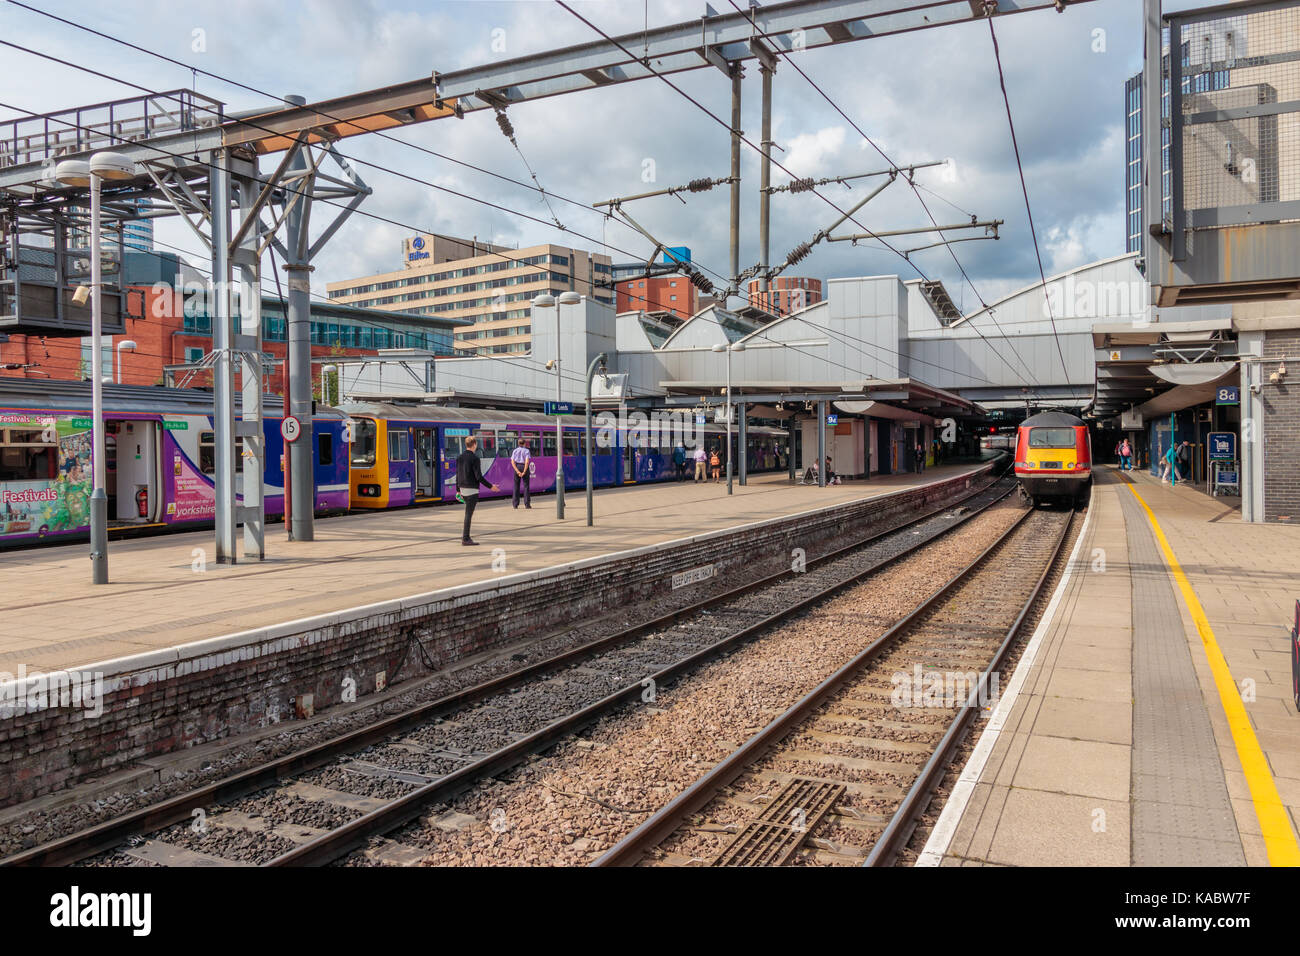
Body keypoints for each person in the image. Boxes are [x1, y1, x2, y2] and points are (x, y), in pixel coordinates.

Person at [456, 436, 498, 545]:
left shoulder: (459, 457)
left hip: (462, 489)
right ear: (474, 444)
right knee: (468, 515)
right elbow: (479, 477)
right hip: (472, 490)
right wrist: (491, 486)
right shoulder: (475, 459)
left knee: (467, 514)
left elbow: (458, 474)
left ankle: (466, 537)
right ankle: (465, 539)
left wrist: (457, 490)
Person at [510, 436, 532, 509]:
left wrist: (517, 471)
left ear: (518, 443)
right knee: (526, 486)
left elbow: (512, 462)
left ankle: (515, 504)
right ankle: (527, 504)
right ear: (524, 443)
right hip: (524, 466)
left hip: (517, 466)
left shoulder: (515, 451)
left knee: (516, 486)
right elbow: (527, 462)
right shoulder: (526, 451)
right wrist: (524, 471)